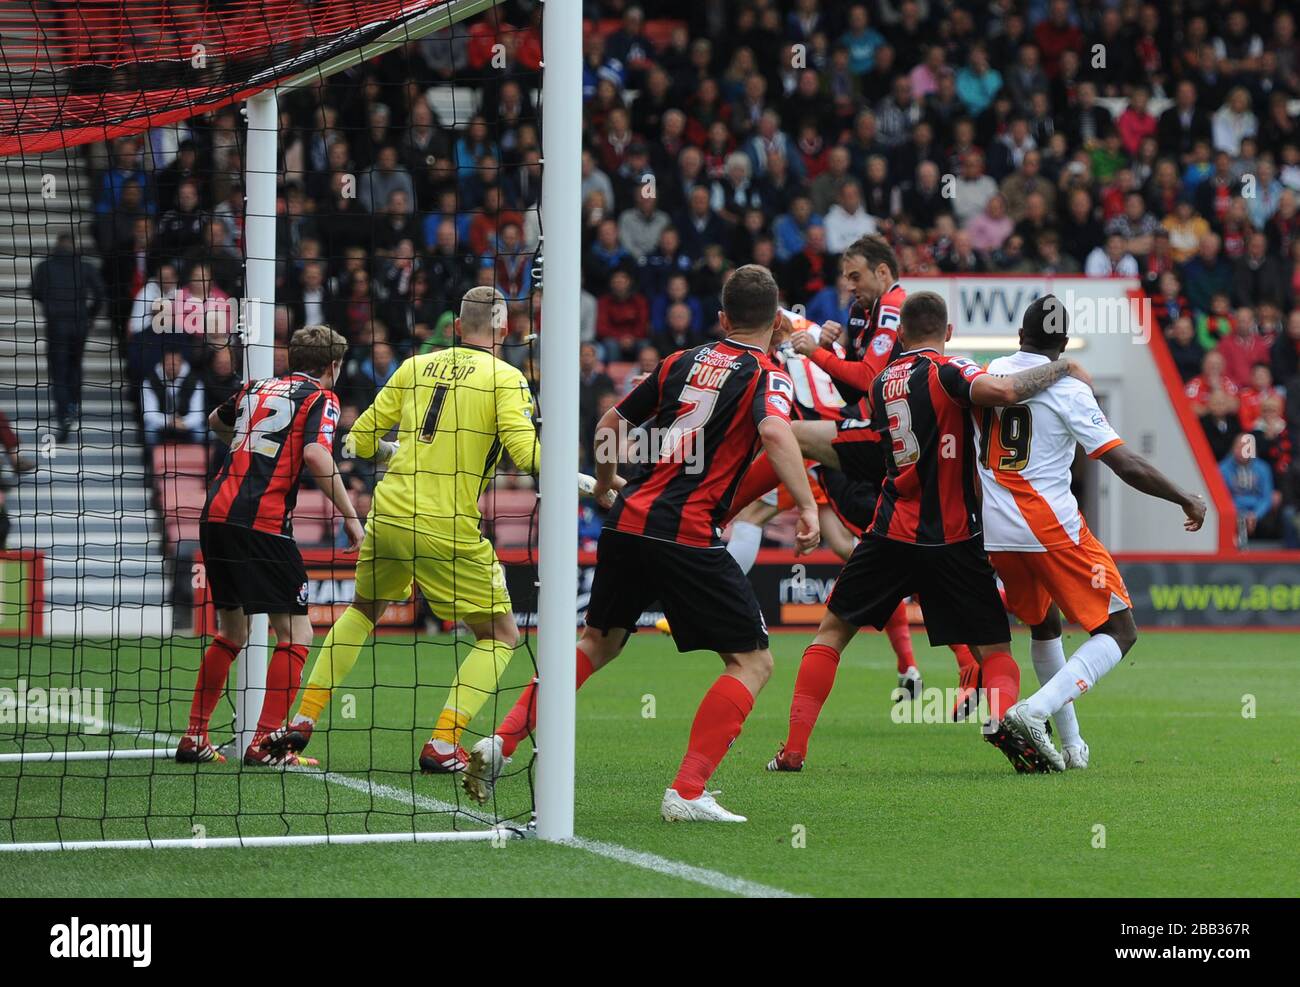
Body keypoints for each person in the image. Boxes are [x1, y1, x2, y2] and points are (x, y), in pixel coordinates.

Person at [463, 265, 819, 823]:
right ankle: (688, 791)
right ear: (776, 322)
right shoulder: (769, 374)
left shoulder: (681, 361)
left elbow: (610, 421)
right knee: (752, 662)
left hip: (629, 522)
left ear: (721, 318)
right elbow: (776, 432)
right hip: (688, 531)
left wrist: (604, 483)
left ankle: (501, 742)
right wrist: (808, 506)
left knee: (596, 644)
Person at [771, 291, 1096, 774]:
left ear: (900, 334)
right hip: (954, 538)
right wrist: (1062, 369)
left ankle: (793, 751)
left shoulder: (883, 382)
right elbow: (1005, 393)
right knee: (996, 653)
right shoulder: (952, 370)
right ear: (947, 333)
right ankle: (1002, 720)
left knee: (831, 634)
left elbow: (877, 441)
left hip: (889, 532)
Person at [261, 287, 542, 776]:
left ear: (456, 327)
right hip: (445, 524)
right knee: (499, 634)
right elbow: (527, 457)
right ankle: (442, 742)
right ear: (503, 330)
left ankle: (303, 720)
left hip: (388, 513)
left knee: (363, 611)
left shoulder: (415, 367)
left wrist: (406, 452)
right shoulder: (507, 378)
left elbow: (361, 440)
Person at [985, 296, 1206, 769]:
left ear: (1019, 336)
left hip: (996, 531)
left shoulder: (990, 373)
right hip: (1048, 525)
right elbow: (1122, 462)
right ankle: (1033, 711)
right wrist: (1184, 496)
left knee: (1044, 627)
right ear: (1063, 344)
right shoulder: (1069, 387)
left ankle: (1072, 747)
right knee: (1121, 630)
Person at [178, 325, 363, 765]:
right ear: (333, 366)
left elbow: (215, 423)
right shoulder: (322, 398)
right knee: (297, 632)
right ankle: (265, 743)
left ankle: (195, 736)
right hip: (262, 523)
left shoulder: (255, 387)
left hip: (216, 516)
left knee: (232, 631)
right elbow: (318, 456)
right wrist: (352, 519)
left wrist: (253, 453)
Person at [29, 233, 105, 441]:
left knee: (59, 373)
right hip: (79, 324)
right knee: (75, 367)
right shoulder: (84, 266)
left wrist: (51, 306)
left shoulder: (45, 266)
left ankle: (64, 416)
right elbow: (100, 293)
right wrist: (89, 315)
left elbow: (34, 291)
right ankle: (72, 408)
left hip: (56, 325)